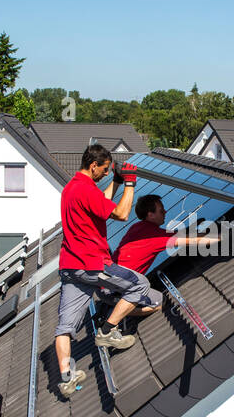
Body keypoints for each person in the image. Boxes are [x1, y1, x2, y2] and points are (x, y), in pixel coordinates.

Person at [53, 145, 157, 398]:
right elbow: (121, 214)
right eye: (105, 169)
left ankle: (66, 378)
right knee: (140, 284)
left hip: (70, 266)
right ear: (93, 166)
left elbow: (100, 204)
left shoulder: (72, 188)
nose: (107, 173)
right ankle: (108, 331)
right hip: (91, 264)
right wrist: (130, 184)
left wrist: (117, 183)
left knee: (64, 327)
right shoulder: (85, 190)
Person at [111, 194, 221, 303]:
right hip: (117, 288)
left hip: (107, 277)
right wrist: (223, 236)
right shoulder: (154, 236)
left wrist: (192, 229)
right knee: (159, 301)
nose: (165, 212)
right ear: (151, 215)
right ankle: (117, 310)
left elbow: (176, 236)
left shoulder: (137, 228)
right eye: (161, 211)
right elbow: (194, 240)